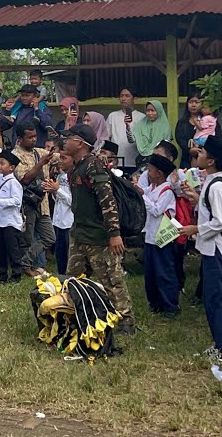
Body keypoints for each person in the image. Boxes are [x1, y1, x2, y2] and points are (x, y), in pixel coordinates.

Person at [61, 122, 134, 332]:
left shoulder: (94, 165)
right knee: (72, 280)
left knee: (112, 280)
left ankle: (124, 320)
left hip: (99, 237)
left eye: (69, 138)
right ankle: (74, 315)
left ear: (80, 143)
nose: (65, 141)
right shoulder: (76, 166)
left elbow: (107, 199)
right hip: (80, 234)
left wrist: (114, 233)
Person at [179, 136, 222, 363]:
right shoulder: (212, 183)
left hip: (217, 250)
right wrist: (196, 199)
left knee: (218, 299)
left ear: (211, 160)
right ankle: (218, 343)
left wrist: (196, 228)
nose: (197, 155)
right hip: (209, 249)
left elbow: (221, 221)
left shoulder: (218, 186)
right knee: (211, 299)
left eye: (201, 152)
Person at [12, 126, 56, 278]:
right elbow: (25, 178)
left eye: (35, 136)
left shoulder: (40, 152)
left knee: (49, 237)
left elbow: (59, 156)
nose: (33, 139)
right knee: (28, 238)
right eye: (29, 137)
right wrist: (41, 163)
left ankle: (26, 262)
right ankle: (28, 266)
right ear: (20, 139)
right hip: (27, 203)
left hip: (43, 203)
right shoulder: (16, 155)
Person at [142, 153, 180, 318]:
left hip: (162, 237)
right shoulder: (151, 188)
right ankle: (155, 303)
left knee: (164, 272)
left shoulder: (167, 191)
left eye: (150, 170)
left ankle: (170, 306)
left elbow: (157, 210)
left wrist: (142, 196)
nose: (147, 173)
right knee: (150, 273)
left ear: (159, 173)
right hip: (150, 236)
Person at [0, 149, 27, 282]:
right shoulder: (0, 179)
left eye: (2, 163)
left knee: (12, 249)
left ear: (11, 167)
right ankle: (1, 274)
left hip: (10, 222)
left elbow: (16, 201)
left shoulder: (14, 183)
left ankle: (16, 275)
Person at [105, 89, 141, 170]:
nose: (123, 99)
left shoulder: (141, 117)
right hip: (115, 161)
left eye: (127, 96)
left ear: (134, 99)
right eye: (121, 96)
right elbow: (106, 137)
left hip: (134, 161)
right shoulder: (113, 116)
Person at [174, 95, 202, 169]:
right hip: (186, 159)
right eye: (191, 102)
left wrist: (200, 149)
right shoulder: (182, 122)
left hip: (204, 158)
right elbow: (179, 138)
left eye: (196, 102)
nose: (193, 105)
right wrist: (190, 149)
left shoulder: (209, 121)